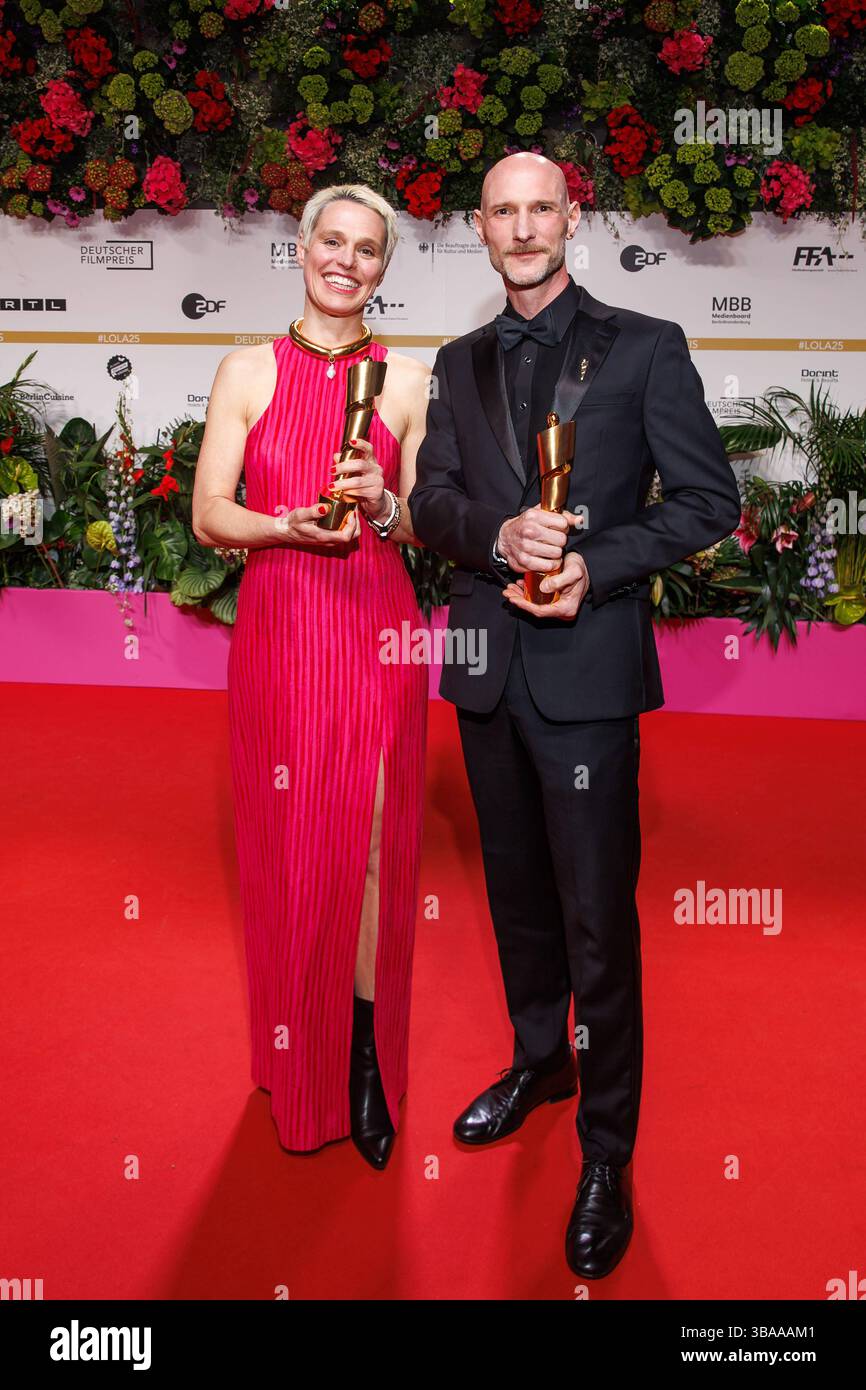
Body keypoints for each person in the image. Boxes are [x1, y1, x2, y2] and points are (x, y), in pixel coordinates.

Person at [409, 152, 742, 1276]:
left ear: (570, 217)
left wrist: (591, 564)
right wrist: (495, 538)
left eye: (537, 207)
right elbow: (430, 503)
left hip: (586, 677)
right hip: (485, 673)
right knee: (516, 898)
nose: (519, 227)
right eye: (499, 212)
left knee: (597, 916)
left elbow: (706, 501)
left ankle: (606, 1148)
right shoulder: (455, 362)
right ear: (481, 229)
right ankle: (536, 1057)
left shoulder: (644, 345)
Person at [192, 184, 431, 1169]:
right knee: (294, 847)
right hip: (283, 628)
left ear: (383, 267)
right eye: (330, 241)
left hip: (377, 631)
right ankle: (301, 1054)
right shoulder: (245, 368)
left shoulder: (411, 380)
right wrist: (279, 524)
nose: (346, 260)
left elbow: (429, 527)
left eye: (366, 249)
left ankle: (366, 1063)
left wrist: (382, 505)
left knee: (373, 846)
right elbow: (211, 512)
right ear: (299, 249)